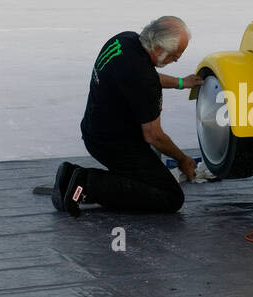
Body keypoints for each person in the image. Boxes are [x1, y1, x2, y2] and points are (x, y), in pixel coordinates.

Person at [53, 16, 204, 216]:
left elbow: (141, 75)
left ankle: (70, 176)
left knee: (147, 178)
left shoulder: (124, 40)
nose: (176, 60)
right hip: (115, 145)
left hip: (94, 130)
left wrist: (180, 83)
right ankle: (85, 184)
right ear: (158, 49)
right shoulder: (143, 78)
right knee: (170, 196)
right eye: (175, 55)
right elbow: (154, 135)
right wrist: (182, 159)